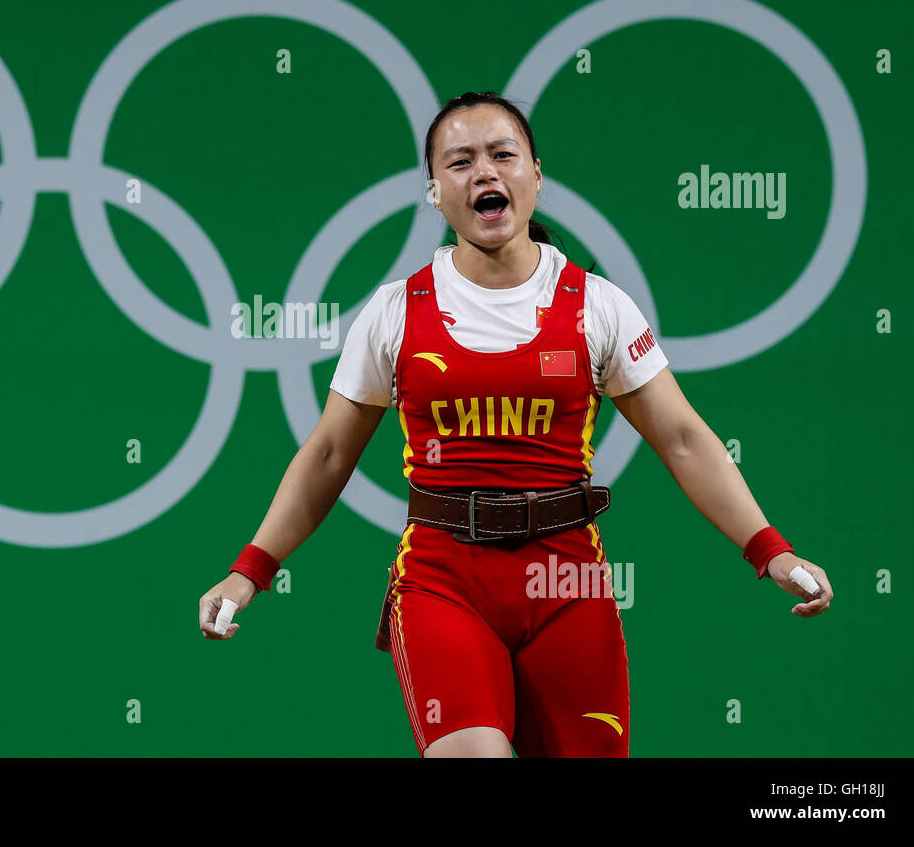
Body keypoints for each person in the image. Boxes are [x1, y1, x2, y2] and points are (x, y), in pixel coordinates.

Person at [198, 91, 833, 758]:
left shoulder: (599, 306)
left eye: (503, 154)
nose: (485, 172)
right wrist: (250, 570)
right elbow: (328, 454)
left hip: (567, 583)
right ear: (435, 192)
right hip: (443, 581)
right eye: (461, 161)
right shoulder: (393, 313)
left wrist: (771, 549)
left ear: (536, 175)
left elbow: (682, 439)